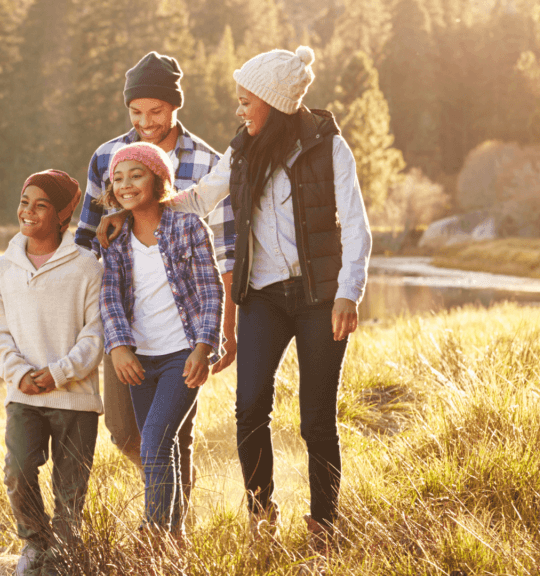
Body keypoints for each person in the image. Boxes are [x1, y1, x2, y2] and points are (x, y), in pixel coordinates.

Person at [98, 46, 372, 556]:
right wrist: (134, 210)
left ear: (273, 101)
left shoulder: (330, 148)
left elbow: (356, 226)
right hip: (263, 296)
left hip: (320, 298)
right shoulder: (243, 150)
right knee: (249, 410)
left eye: (247, 100)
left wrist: (348, 292)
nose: (240, 110)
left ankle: (324, 522)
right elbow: (201, 196)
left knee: (316, 418)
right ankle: (261, 510)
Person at [75, 51, 239, 513]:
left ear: (175, 107)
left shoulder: (206, 161)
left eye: (156, 111)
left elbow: (225, 250)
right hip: (128, 323)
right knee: (128, 432)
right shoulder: (107, 156)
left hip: (185, 325)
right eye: (136, 112)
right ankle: (169, 502)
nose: (146, 121)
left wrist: (223, 331)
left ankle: (167, 530)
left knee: (170, 432)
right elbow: (87, 239)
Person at [99, 142, 224, 546]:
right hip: (139, 360)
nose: (125, 185)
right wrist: (118, 346)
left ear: (159, 180)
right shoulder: (115, 240)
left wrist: (204, 347)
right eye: (118, 178)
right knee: (161, 443)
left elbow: (211, 292)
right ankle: (173, 537)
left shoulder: (188, 227)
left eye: (136, 175)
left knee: (155, 439)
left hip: (181, 356)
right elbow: (111, 298)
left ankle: (152, 531)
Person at [0, 169, 105, 576]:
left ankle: (65, 557)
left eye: (41, 205)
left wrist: (57, 373)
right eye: (24, 202)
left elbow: (95, 336)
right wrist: (19, 374)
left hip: (74, 397)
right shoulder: (4, 267)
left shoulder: (87, 267)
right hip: (24, 395)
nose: (29, 212)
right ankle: (35, 545)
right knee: (18, 470)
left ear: (61, 215)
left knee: (71, 488)